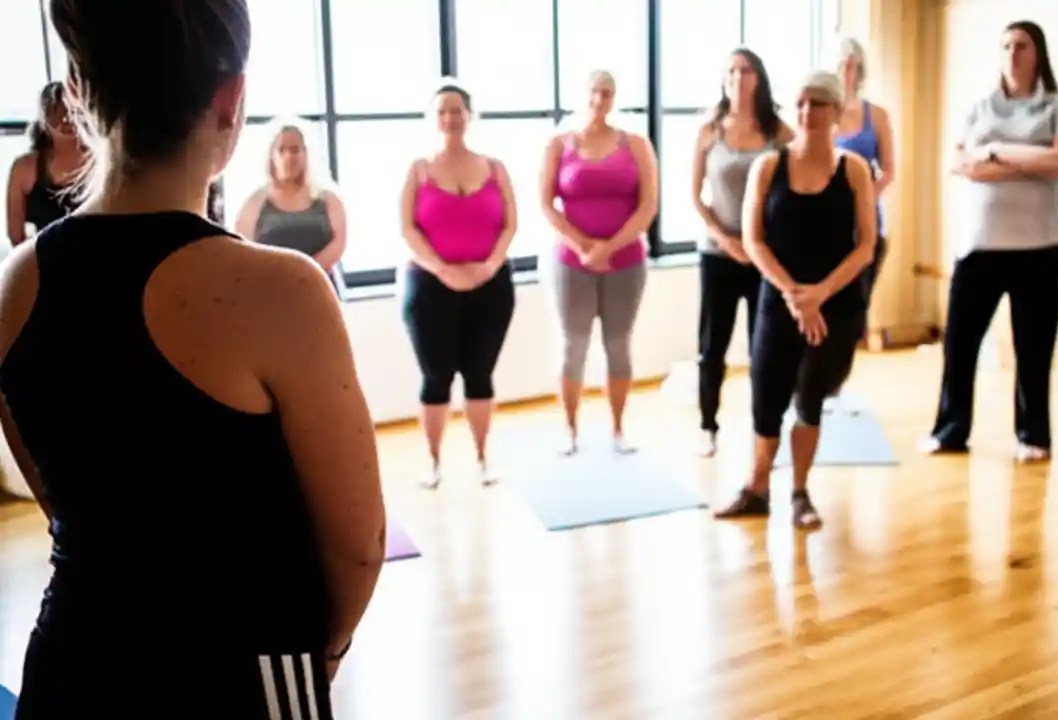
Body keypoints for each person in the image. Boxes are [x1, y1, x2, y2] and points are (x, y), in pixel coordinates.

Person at [0, 2, 385, 717]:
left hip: (72, 665)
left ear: (77, 92)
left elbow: (61, 498)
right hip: (242, 669)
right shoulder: (283, 291)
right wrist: (321, 652)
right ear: (231, 100)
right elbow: (359, 548)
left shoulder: (15, 283)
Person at [713, 70, 877, 530]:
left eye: (818, 104)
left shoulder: (854, 171)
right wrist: (793, 294)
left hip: (833, 305)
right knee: (766, 395)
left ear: (836, 110)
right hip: (779, 301)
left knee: (809, 398)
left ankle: (800, 492)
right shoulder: (769, 166)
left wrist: (819, 295)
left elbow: (865, 245)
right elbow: (754, 240)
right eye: (801, 103)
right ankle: (757, 486)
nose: (806, 112)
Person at [921, 20, 1058, 462]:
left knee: (1033, 348)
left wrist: (992, 153)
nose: (1013, 52)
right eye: (1006, 45)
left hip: (1040, 248)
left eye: (1022, 45)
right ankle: (950, 430)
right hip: (979, 246)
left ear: (1038, 52)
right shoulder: (979, 109)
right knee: (960, 343)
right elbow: (958, 162)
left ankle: (1033, 436)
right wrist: (1024, 159)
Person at [399, 82, 518, 489]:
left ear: (469, 115)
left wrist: (489, 266)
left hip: (491, 286)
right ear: (434, 118)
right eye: (443, 111)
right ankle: (432, 461)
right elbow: (407, 230)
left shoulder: (495, 168)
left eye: (457, 110)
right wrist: (441, 270)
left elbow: (509, 225)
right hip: (430, 288)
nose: (450, 118)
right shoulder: (418, 170)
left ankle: (483, 457)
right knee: (436, 377)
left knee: (480, 373)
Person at [540, 70, 658, 456]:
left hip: (626, 262)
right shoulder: (559, 143)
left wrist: (609, 248)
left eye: (607, 93)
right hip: (571, 265)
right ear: (583, 94)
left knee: (618, 345)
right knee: (573, 345)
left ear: (614, 97)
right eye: (593, 92)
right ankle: (570, 431)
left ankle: (618, 430)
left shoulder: (636, 144)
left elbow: (648, 206)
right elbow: (546, 205)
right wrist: (584, 246)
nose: (599, 99)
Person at [690, 47, 793, 457]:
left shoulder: (778, 132)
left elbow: (792, 186)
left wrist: (761, 242)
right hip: (718, 254)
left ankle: (762, 427)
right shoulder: (709, 129)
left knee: (763, 347)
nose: (737, 77)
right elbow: (695, 196)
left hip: (763, 254)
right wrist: (725, 239)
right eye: (730, 70)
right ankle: (707, 424)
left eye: (745, 70)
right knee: (712, 346)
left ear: (758, 77)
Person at [830, 36, 896, 408]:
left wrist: (862, 198)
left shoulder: (877, 116)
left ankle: (836, 388)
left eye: (853, 61)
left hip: (867, 229)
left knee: (854, 316)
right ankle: (816, 388)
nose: (847, 67)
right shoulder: (818, 112)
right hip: (825, 232)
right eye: (841, 61)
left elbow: (888, 171)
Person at [234, 119, 348, 287]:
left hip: (320, 289)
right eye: (282, 150)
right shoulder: (255, 202)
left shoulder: (328, 198)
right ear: (272, 156)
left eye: (295, 150)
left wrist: (306, 272)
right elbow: (242, 248)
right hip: (270, 289)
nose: (288, 157)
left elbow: (339, 242)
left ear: (306, 154)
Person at [5, 81, 86, 246]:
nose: (66, 118)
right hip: (48, 265)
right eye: (56, 111)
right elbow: (16, 236)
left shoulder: (104, 162)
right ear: (43, 118)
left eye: (73, 111)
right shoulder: (24, 168)